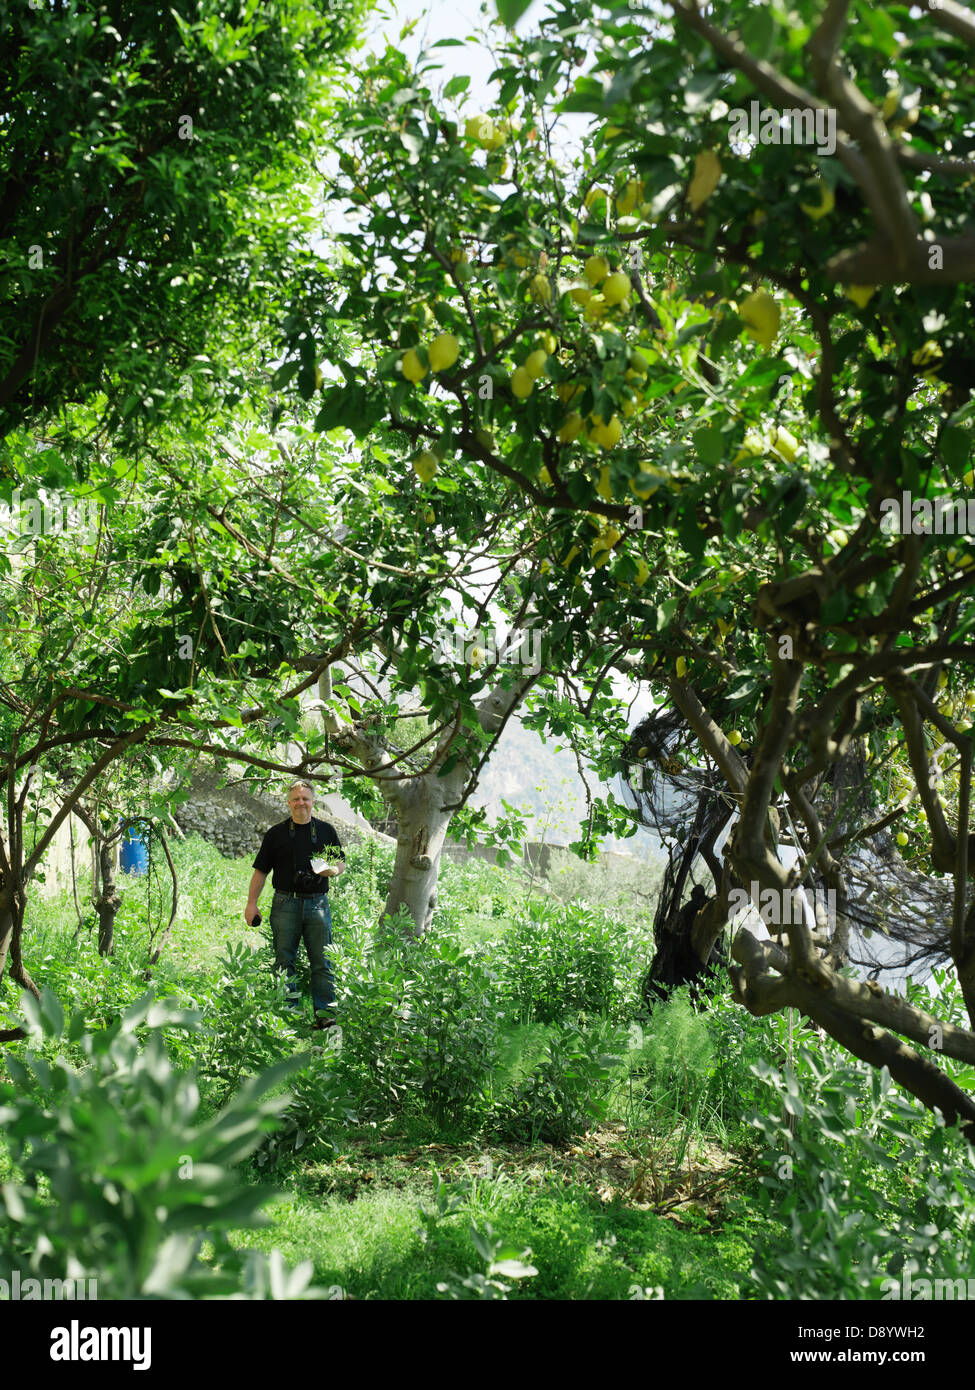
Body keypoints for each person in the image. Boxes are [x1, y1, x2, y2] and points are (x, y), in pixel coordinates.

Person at [245, 781, 345, 1029]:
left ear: (313, 801)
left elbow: (340, 863)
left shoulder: (326, 831)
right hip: (284, 902)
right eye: (296, 798)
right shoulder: (275, 834)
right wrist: (251, 904)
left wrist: (330, 871)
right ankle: (288, 1017)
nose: (301, 802)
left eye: (306, 798)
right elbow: (260, 872)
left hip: (318, 905)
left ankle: (325, 1014)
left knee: (323, 961)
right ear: (288, 803)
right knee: (283, 960)